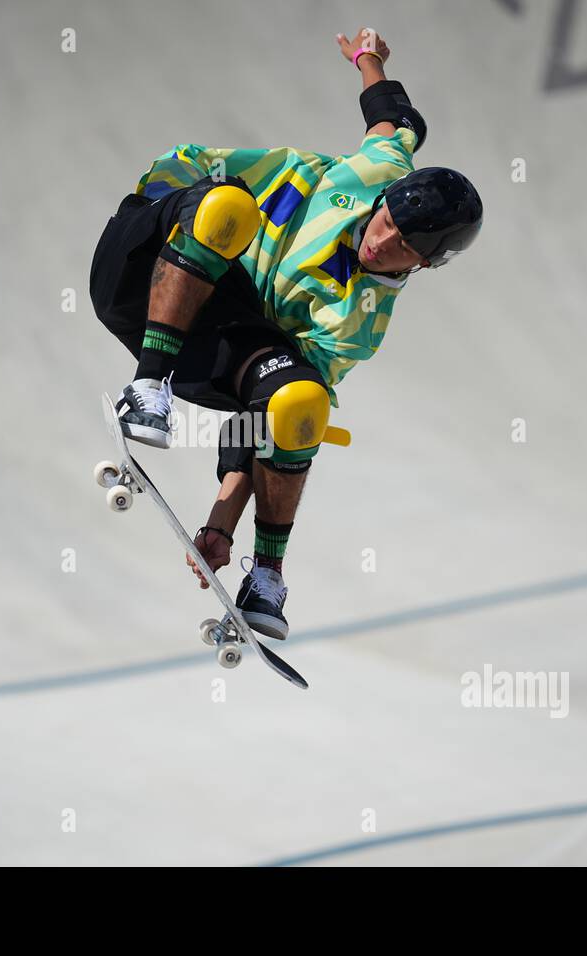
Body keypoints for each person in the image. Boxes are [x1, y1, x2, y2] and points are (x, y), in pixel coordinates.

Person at [89, 28, 482, 641]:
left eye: (402, 246)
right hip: (146, 251)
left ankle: (267, 577)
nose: (381, 239)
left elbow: (270, 419)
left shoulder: (354, 327)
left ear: (425, 265)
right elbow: (394, 118)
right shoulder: (382, 168)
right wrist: (368, 58)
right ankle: (146, 388)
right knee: (230, 210)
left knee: (303, 402)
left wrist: (221, 521)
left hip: (213, 329)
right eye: (388, 218)